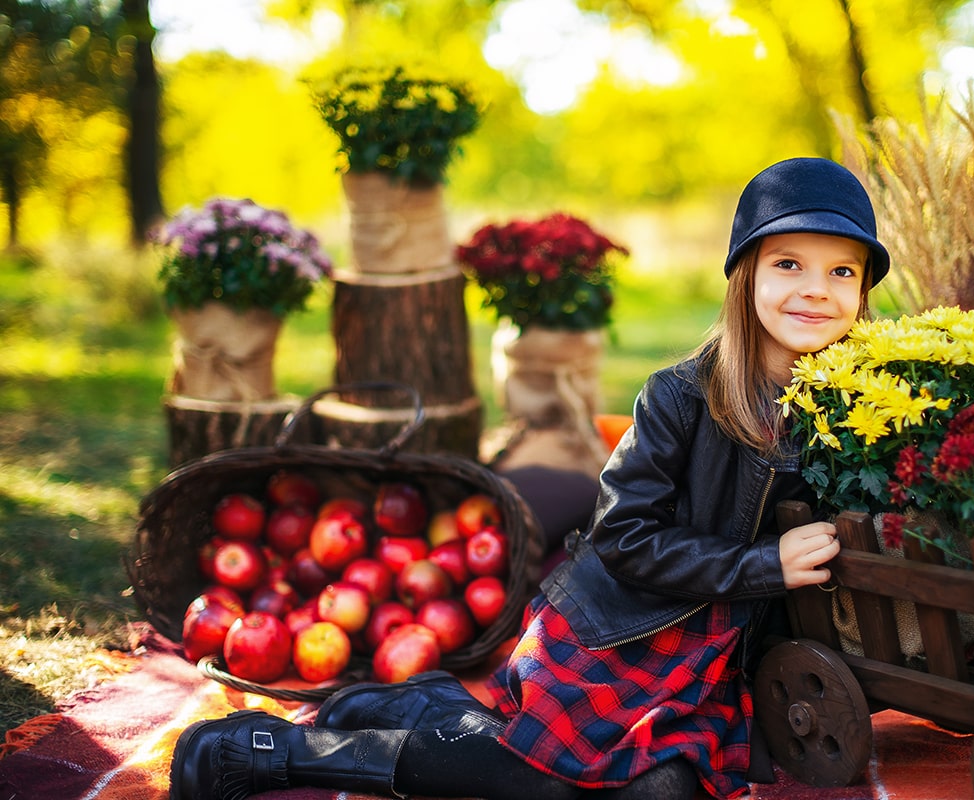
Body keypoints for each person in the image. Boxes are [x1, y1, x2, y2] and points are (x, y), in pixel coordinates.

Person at [168, 156, 891, 800]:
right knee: (545, 778)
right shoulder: (680, 396)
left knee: (665, 791)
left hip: (709, 663)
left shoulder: (853, 412)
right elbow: (625, 537)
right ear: (747, 275)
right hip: (621, 632)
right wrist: (764, 564)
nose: (815, 290)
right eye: (788, 264)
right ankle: (282, 752)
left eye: (841, 272)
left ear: (862, 292)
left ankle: (419, 707)